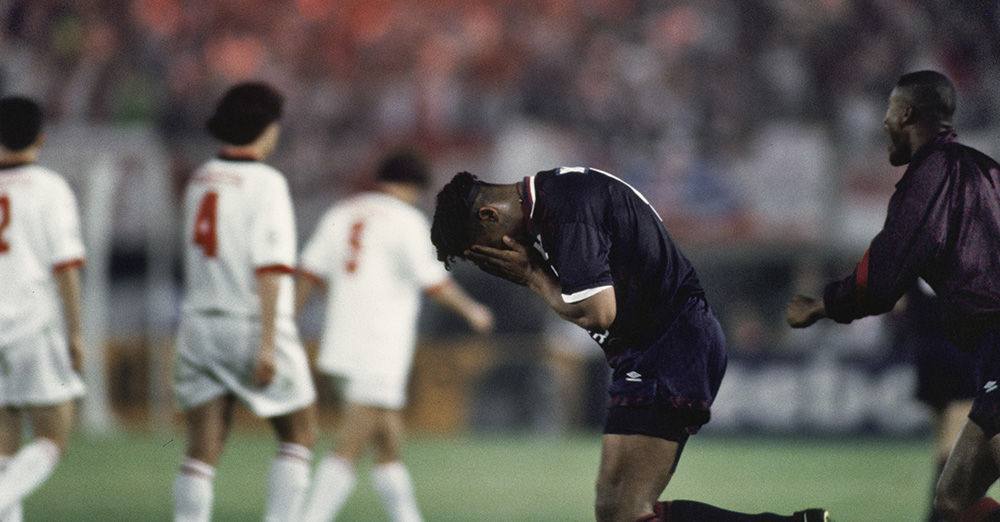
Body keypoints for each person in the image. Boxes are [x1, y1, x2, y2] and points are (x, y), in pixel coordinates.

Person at [431, 166, 829, 522]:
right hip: (655, 349)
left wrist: (532, 276)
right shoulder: (558, 199)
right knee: (617, 511)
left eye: (483, 248)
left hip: (670, 346)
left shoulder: (564, 210)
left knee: (623, 511)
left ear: (488, 215)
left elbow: (599, 311)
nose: (492, 258)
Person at [786, 70, 1000, 522]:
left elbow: (883, 275)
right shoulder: (986, 171)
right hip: (983, 351)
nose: (883, 122)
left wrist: (822, 305)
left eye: (888, 111)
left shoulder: (929, 175)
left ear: (905, 114)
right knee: (952, 500)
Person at [295, 149, 494, 522]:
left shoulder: (342, 212)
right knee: (350, 446)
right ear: (414, 186)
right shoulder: (405, 220)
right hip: (380, 347)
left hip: (339, 343)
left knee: (387, 444)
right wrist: (472, 310)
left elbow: (309, 273)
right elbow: (434, 283)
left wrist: (288, 320)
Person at [172, 82, 317, 522]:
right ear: (267, 127)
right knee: (299, 434)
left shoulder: (200, 178)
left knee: (203, 445)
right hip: (249, 322)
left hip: (198, 323)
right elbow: (272, 266)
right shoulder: (267, 182)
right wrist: (270, 342)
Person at [0, 96, 86, 521]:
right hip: (34, 324)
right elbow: (66, 268)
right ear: (41, 137)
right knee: (53, 436)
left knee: (3, 448)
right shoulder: (50, 188)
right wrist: (76, 332)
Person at [895, 280, 976, 522]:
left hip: (926, 351)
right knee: (956, 448)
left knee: (943, 443)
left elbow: (897, 304)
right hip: (961, 350)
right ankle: (939, 515)